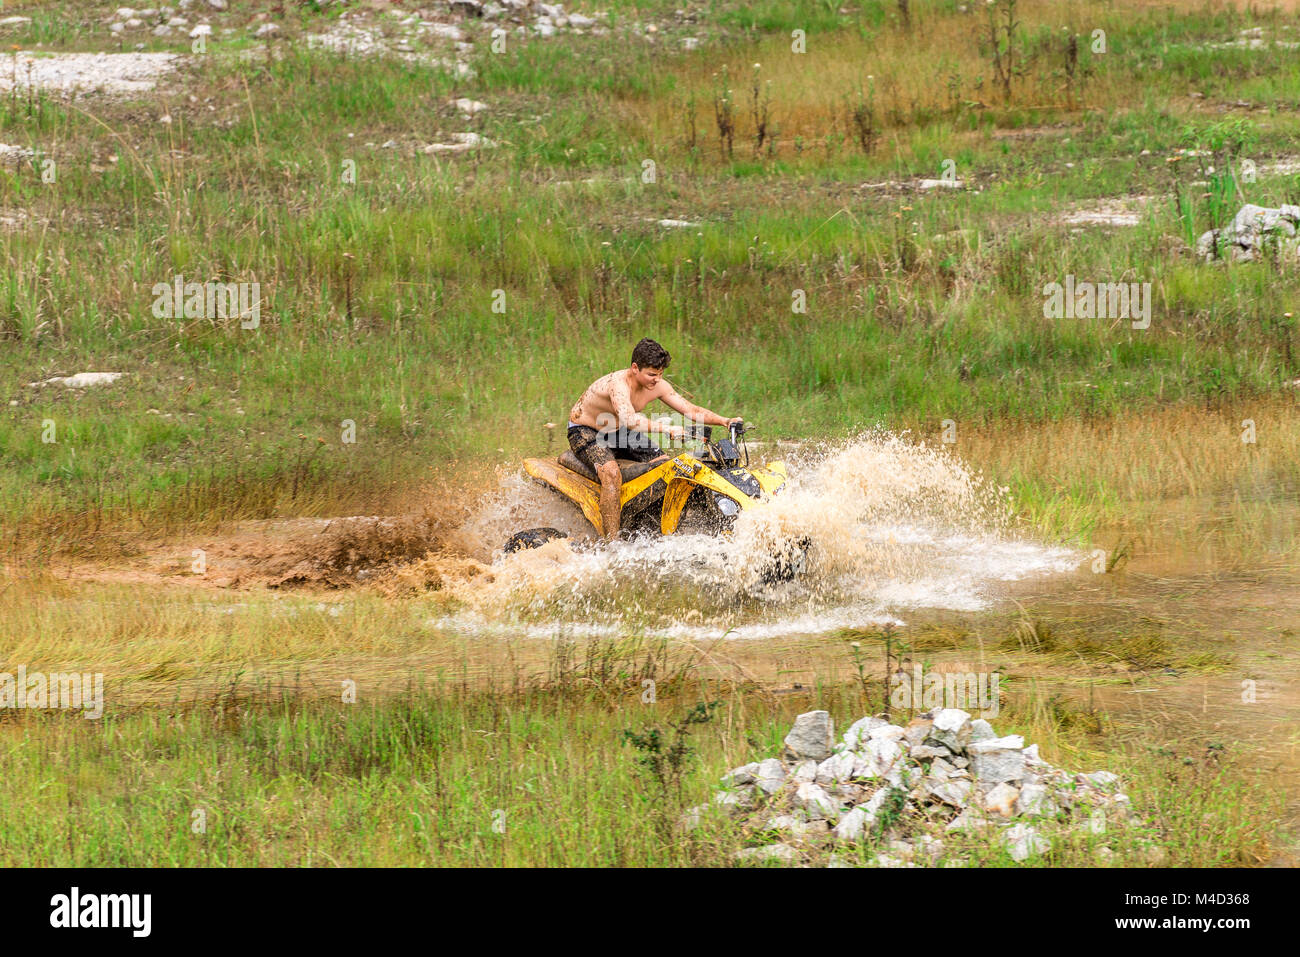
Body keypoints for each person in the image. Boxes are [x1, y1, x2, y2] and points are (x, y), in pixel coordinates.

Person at [567, 338, 742, 540]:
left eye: (660, 374)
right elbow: (631, 420)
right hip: (585, 430)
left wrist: (725, 421)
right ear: (635, 368)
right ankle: (611, 542)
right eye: (651, 374)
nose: (656, 379)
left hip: (617, 430)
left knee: (667, 466)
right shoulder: (617, 385)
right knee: (612, 474)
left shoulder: (657, 384)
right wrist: (667, 429)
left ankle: (652, 523)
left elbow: (691, 410)